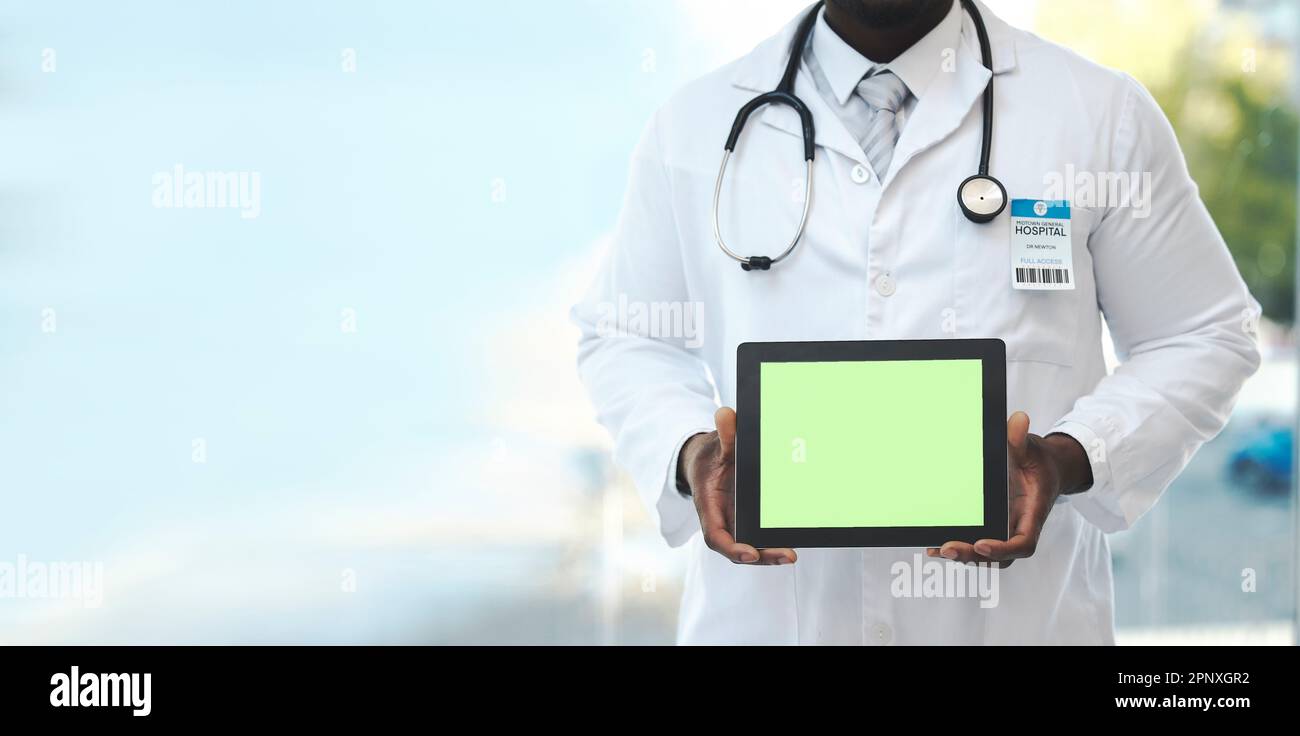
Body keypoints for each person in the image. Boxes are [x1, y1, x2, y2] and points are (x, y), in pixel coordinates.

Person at [571, 0, 1261, 644]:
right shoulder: (694, 125)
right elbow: (627, 335)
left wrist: (1076, 454)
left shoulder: (1098, 113)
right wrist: (691, 452)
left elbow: (1203, 333)